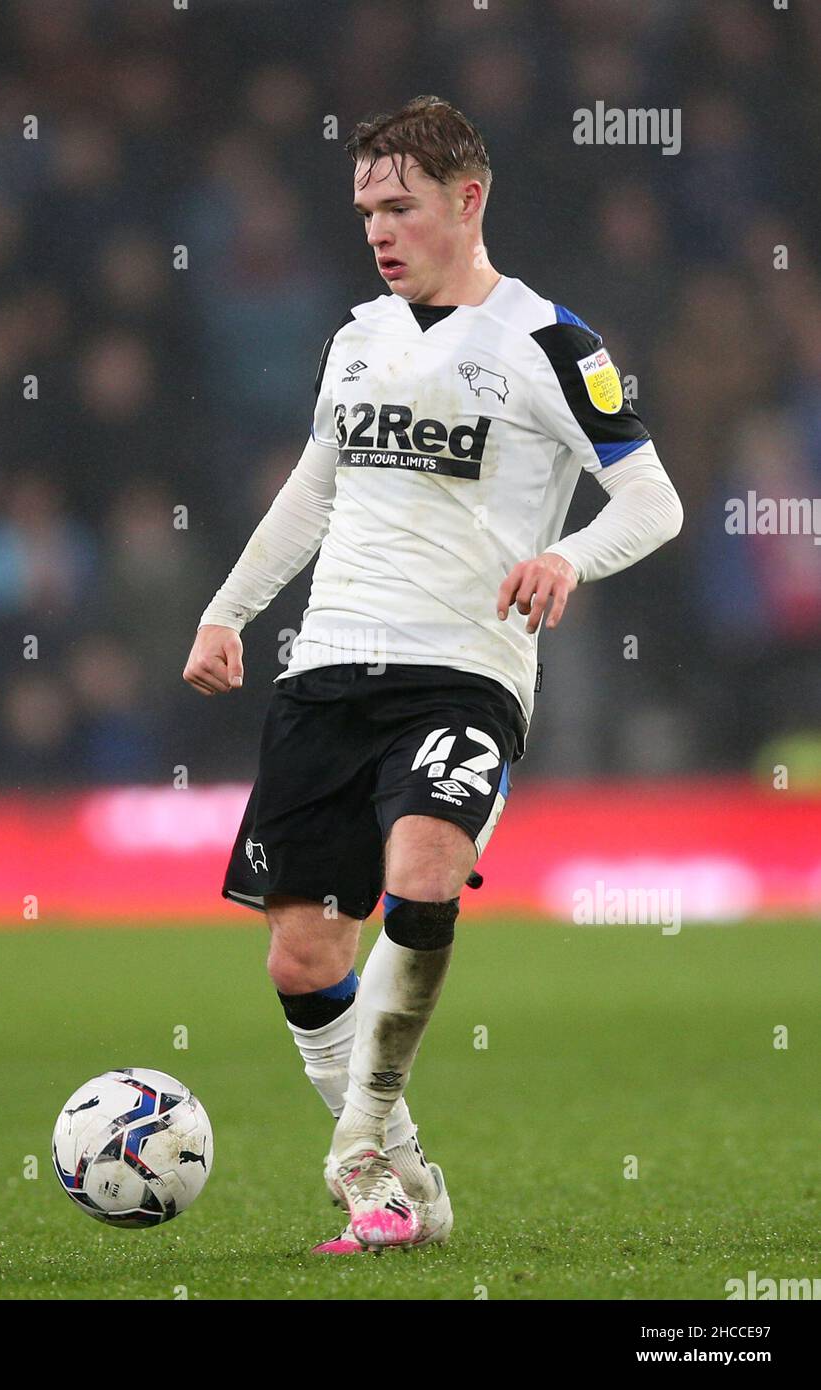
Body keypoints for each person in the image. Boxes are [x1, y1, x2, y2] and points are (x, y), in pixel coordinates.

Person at [183, 95, 683, 1254]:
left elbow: (651, 498)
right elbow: (315, 488)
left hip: (462, 671)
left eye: (399, 205)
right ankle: (399, 1176)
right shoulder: (354, 335)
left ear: (470, 199)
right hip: (326, 670)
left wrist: (568, 554)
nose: (377, 229)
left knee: (424, 869)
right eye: (364, 208)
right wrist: (226, 610)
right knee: (303, 953)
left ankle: (358, 1134)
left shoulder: (555, 344)